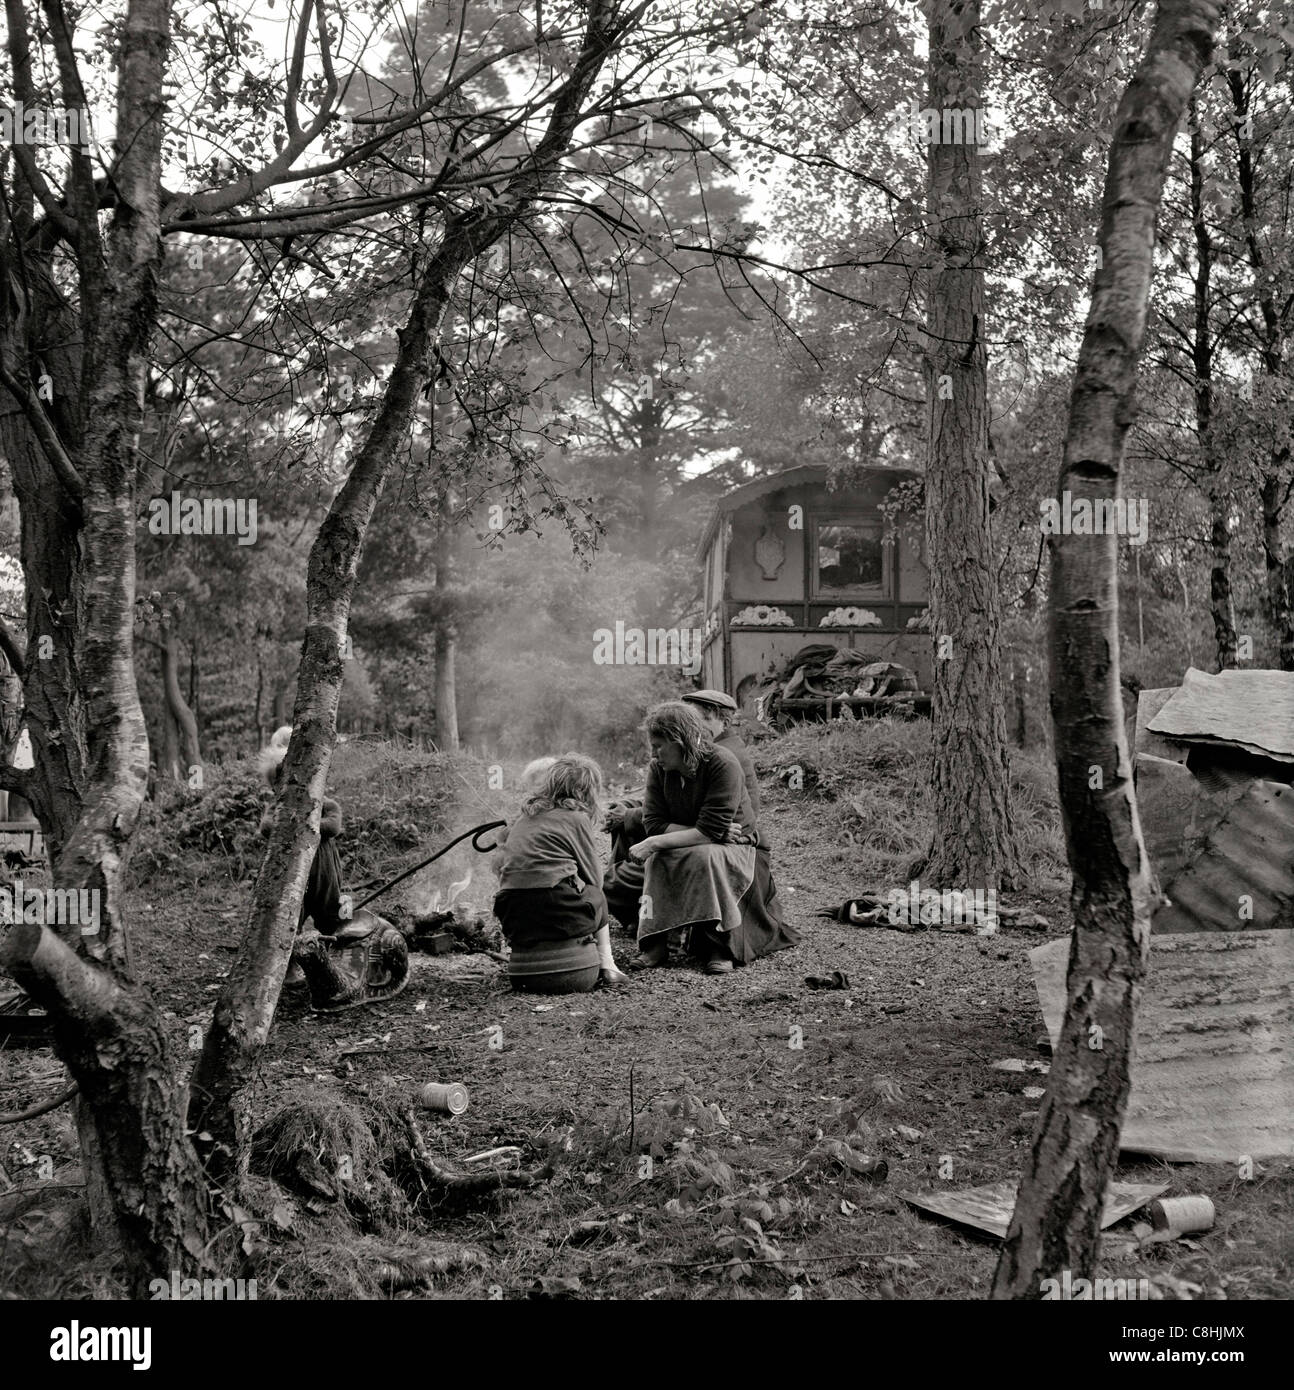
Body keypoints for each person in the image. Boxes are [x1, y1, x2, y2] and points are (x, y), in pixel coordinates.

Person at [629, 701, 797, 975]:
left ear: (680, 740)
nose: (654, 752)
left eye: (659, 745)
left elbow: (700, 833)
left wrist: (658, 841)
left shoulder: (722, 763)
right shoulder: (658, 768)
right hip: (713, 840)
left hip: (740, 848)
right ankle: (656, 943)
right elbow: (654, 823)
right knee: (659, 860)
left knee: (704, 856)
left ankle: (721, 947)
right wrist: (700, 832)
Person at [493, 754, 629, 988]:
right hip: (554, 904)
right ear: (588, 791)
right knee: (597, 896)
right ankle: (608, 964)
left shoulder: (525, 817)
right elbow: (594, 879)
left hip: (509, 909)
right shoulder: (575, 818)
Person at [258, 725, 345, 936]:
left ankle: (342, 935)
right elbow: (266, 826)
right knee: (290, 911)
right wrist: (287, 825)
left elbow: (333, 825)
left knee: (333, 908)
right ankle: (289, 942)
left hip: (324, 870)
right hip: (292, 871)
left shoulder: (325, 804)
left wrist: (305, 826)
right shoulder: (279, 807)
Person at [681, 688, 760, 814]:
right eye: (691, 720)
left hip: (733, 823)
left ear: (726, 723)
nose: (695, 727)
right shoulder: (720, 742)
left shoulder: (726, 752)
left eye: (704, 720)